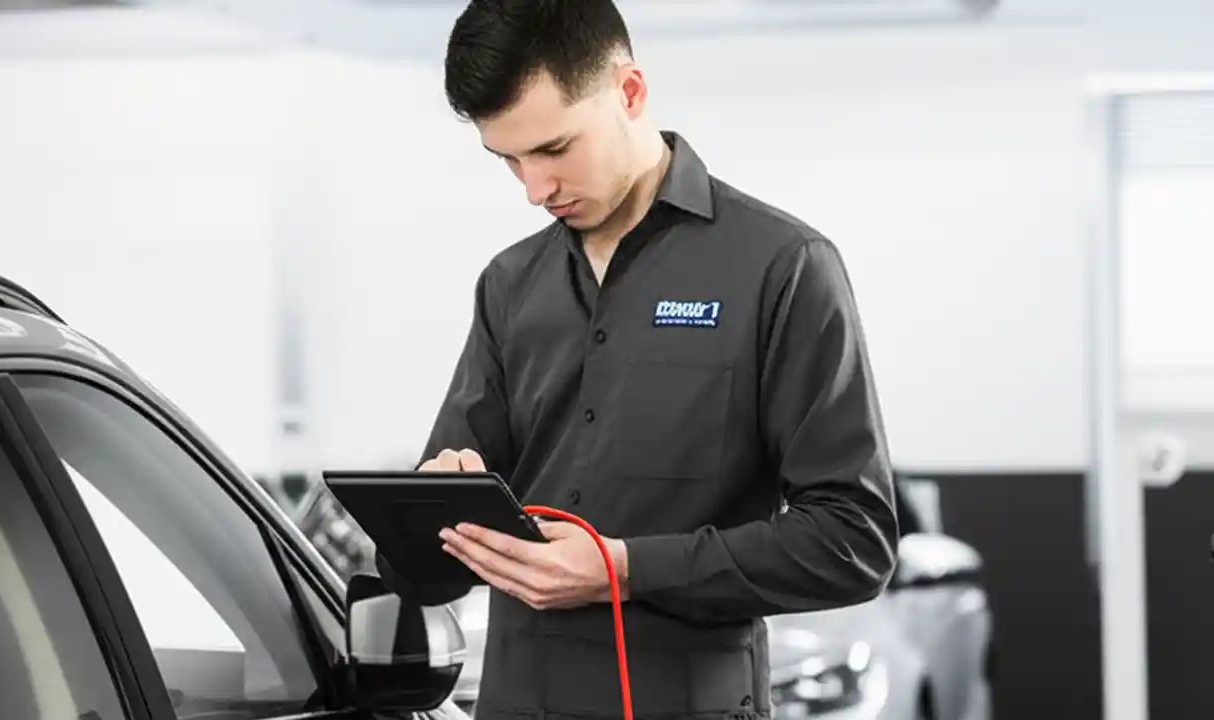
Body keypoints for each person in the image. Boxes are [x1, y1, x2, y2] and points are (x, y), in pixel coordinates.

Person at [382, 1, 900, 717]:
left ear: (629, 92)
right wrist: (429, 511)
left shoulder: (781, 269)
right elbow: (428, 572)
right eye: (509, 160)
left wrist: (625, 570)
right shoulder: (509, 285)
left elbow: (853, 541)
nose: (536, 190)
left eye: (556, 149)